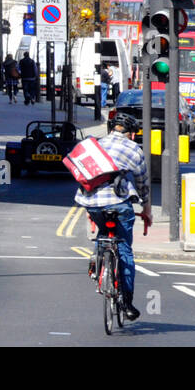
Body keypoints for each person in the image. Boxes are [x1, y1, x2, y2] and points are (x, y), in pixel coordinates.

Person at [77, 113, 152, 323]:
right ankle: (127, 304)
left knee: (104, 230)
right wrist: (147, 209)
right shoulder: (133, 149)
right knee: (124, 247)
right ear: (133, 133)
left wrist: (88, 205)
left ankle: (96, 261)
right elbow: (142, 184)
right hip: (118, 203)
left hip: (91, 202)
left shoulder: (95, 145)